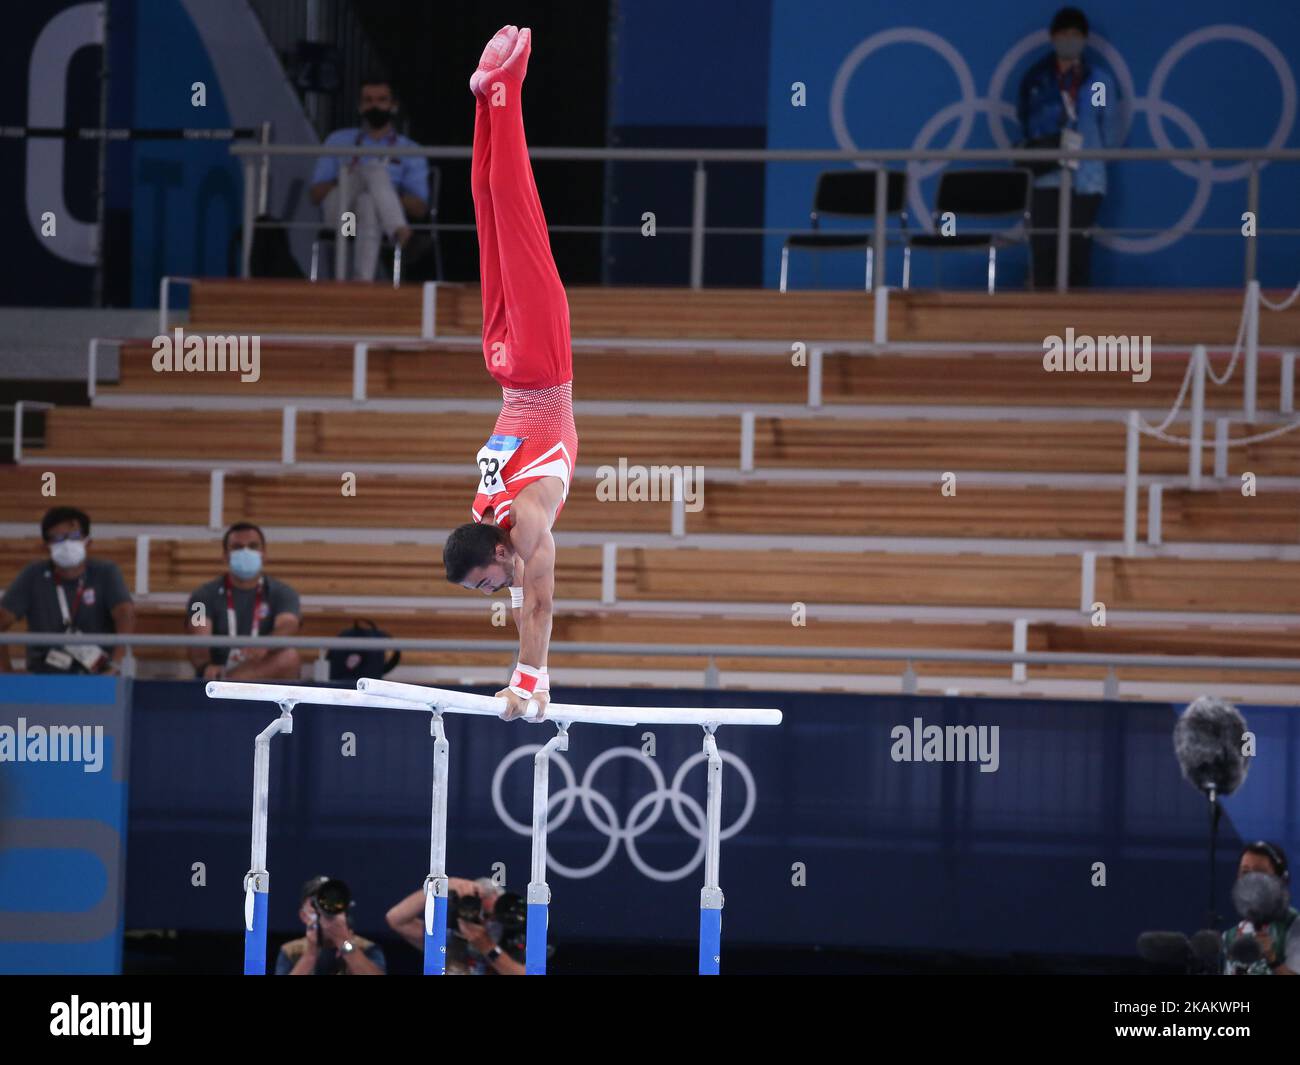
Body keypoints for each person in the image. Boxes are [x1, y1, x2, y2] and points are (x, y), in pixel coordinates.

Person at [441, 26, 576, 723]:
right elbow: (525, 586)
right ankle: (483, 99)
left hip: (537, 364)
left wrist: (529, 678)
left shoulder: (520, 524)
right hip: (502, 362)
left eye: (484, 580)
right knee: (491, 214)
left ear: (497, 548)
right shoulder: (482, 512)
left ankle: (506, 89)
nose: (491, 589)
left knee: (516, 210)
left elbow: (541, 599)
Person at [1016, 6, 1115, 288]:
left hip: (1086, 177)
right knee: (1044, 247)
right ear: (1053, 37)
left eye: (1075, 34)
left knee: (1077, 247)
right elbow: (1025, 119)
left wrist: (1092, 153)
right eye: (1064, 34)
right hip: (1046, 175)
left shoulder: (1097, 82)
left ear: (1084, 39)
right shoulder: (1036, 78)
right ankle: (1042, 322)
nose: (1069, 39)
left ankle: (1077, 325)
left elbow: (1106, 125)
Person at [309, 77, 430, 281]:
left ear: (393, 106)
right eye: (368, 100)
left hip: (374, 222)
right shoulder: (338, 141)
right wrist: (352, 178)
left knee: (368, 202)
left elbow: (420, 207)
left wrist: (381, 194)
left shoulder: (409, 150)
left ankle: (361, 282)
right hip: (342, 218)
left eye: (381, 100)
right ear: (360, 106)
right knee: (372, 169)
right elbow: (316, 194)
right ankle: (403, 234)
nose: (375, 105)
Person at [0, 506, 134, 674]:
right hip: (44, 674)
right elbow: (2, 619)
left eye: (74, 536)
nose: (67, 544)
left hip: (98, 675)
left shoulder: (106, 572)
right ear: (45, 546)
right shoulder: (33, 575)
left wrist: (116, 666)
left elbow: (125, 615)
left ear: (88, 542)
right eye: (58, 538)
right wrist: (6, 671)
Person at [185, 522, 301, 681]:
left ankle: (228, 686)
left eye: (253, 546)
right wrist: (206, 666)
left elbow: (289, 625)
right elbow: (199, 640)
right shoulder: (201, 597)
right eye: (237, 547)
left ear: (264, 554)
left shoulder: (284, 593)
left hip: (262, 669)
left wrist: (264, 645)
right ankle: (226, 685)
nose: (246, 552)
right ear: (225, 556)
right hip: (218, 670)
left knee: (289, 657)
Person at [386, 877, 526, 975]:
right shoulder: (446, 940)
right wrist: (445, 885)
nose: (485, 923)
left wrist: (488, 948)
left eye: (491, 916)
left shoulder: (512, 944)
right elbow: (396, 919)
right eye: (480, 914)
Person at [276, 876, 386, 975]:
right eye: (315, 905)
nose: (324, 911)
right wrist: (310, 955)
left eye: (331, 902)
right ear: (303, 915)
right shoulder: (291, 951)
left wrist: (345, 944)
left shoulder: (366, 948)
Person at [1222, 841, 1299, 975]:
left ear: (1281, 879)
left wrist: (1272, 959)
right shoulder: (1230, 936)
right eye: (1245, 872)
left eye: (1260, 873)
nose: (1251, 880)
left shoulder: (1294, 926)